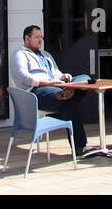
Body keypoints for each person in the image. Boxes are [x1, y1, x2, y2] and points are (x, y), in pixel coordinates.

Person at [10, 25, 91, 154]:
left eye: (41, 37)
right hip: (36, 92)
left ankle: (68, 94)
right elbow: (23, 76)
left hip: (56, 86)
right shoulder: (20, 54)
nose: (40, 40)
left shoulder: (45, 54)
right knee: (69, 104)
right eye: (37, 37)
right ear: (27, 38)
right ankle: (80, 147)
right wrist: (46, 82)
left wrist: (63, 76)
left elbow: (55, 72)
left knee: (84, 78)